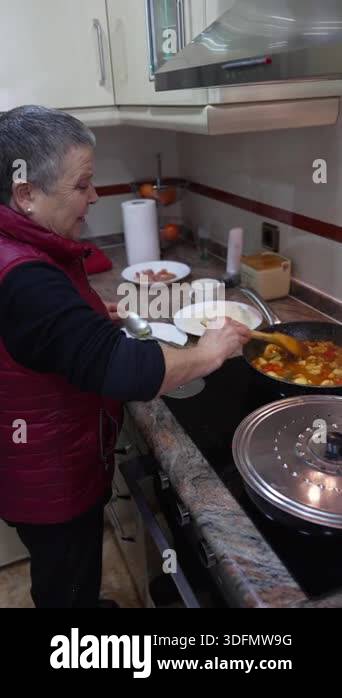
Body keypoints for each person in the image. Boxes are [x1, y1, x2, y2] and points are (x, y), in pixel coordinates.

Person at [0, 105, 251, 608]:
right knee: (66, 584)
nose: (94, 197)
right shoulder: (24, 276)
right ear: (26, 194)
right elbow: (127, 369)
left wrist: (89, 318)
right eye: (83, 185)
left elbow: (45, 334)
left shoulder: (18, 247)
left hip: (42, 464)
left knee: (69, 577)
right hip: (50, 480)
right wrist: (210, 350)